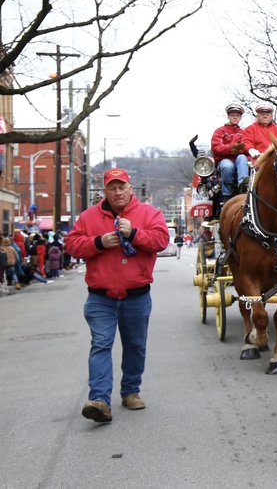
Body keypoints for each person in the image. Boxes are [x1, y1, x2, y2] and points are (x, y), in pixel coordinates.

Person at [65, 168, 169, 424]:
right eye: (112, 188)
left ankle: (130, 392)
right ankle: (99, 400)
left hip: (137, 296)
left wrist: (133, 233)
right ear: (105, 191)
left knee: (135, 346)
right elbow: (71, 244)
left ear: (130, 189)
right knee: (100, 344)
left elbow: (161, 240)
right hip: (101, 297)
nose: (117, 192)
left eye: (122, 187)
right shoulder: (89, 217)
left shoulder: (148, 213)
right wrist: (98, 243)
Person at [211, 103, 247, 201]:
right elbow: (216, 148)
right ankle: (227, 194)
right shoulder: (220, 131)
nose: (235, 117)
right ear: (228, 116)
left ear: (240, 117)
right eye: (232, 115)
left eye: (237, 116)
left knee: (243, 158)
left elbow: (247, 146)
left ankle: (243, 187)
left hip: (239, 160)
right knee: (227, 166)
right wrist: (231, 148)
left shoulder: (244, 132)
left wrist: (241, 149)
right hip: (225, 159)